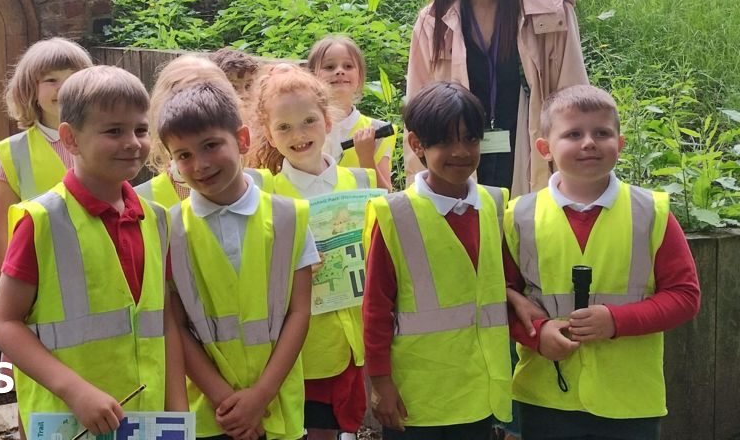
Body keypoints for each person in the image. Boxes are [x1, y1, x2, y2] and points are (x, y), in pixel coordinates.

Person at [0, 66, 187, 432]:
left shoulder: (157, 220)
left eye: (141, 130)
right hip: (68, 422)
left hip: (147, 421)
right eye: (114, 131)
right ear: (71, 138)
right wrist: (75, 390)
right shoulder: (42, 221)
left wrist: (177, 417)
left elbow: (165, 321)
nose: (132, 142)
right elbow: (3, 323)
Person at [503, 84, 700, 440]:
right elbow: (499, 298)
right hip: (545, 397)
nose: (589, 142)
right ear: (545, 148)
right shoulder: (519, 216)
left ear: (620, 144)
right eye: (573, 133)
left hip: (629, 400)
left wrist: (615, 320)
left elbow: (685, 297)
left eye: (602, 133)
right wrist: (537, 335)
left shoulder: (652, 213)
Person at [159, 81, 316, 440]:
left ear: (242, 140)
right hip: (210, 414)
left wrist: (261, 396)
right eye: (183, 155)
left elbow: (299, 312)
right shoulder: (168, 230)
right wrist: (227, 400)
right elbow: (176, 324)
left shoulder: (289, 218)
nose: (199, 164)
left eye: (211, 146)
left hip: (277, 409)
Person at [405, 0, 588, 198]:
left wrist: (578, 185)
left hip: (532, 161)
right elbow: (418, 114)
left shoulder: (551, 12)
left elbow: (575, 104)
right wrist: (420, 196)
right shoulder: (432, 24)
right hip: (457, 165)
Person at [364, 81, 512, 439]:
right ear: (417, 144)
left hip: (480, 392)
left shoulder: (494, 205)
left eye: (471, 139)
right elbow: (375, 308)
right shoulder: (394, 214)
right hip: (417, 397)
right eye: (445, 141)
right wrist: (380, 382)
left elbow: (506, 287)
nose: (461, 152)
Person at [248, 63, 378, 440]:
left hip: (357, 339)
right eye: (284, 127)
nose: (299, 135)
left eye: (308, 121)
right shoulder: (266, 196)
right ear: (269, 136)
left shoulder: (360, 181)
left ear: (327, 122)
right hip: (302, 347)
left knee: (344, 426)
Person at [0, 37, 93, 273]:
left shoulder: (104, 141)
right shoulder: (13, 152)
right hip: (40, 276)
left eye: (73, 78)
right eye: (51, 80)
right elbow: (4, 235)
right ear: (30, 90)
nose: (63, 88)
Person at [136, 54, 271, 208]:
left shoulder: (266, 182)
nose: (196, 107)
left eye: (208, 93)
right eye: (180, 96)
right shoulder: (144, 199)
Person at [307, 35, 395, 191]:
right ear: (312, 76)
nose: (340, 71)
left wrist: (366, 157)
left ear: (360, 77)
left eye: (348, 66)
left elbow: (386, 195)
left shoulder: (378, 130)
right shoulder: (302, 128)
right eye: (329, 67)